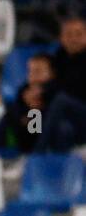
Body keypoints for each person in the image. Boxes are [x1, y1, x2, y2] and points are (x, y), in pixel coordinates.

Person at [36, 15, 86, 152]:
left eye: (79, 34)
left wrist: (49, 89)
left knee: (61, 99)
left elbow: (71, 88)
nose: (74, 39)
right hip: (64, 118)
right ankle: (58, 169)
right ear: (61, 38)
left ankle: (36, 153)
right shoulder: (59, 57)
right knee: (62, 128)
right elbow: (51, 86)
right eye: (69, 34)